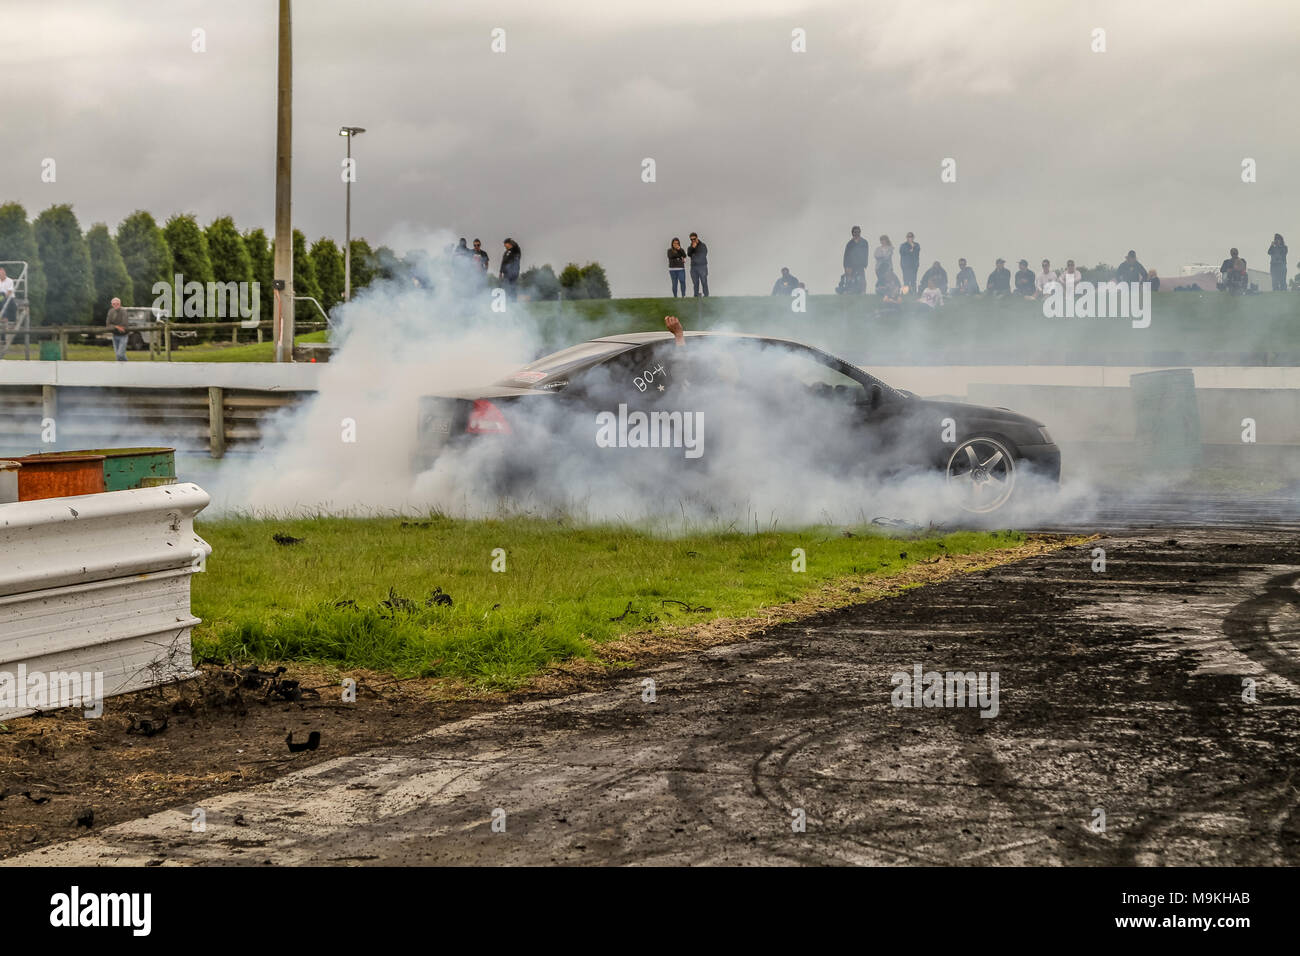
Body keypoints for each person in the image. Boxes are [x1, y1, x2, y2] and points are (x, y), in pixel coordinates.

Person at [842, 226, 870, 294]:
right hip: (851, 265)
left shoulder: (864, 242)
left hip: (860, 264)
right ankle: (850, 291)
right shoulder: (850, 244)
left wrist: (865, 264)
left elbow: (866, 253)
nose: (856, 233)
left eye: (858, 232)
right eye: (855, 232)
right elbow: (846, 255)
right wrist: (846, 267)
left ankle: (863, 292)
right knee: (851, 279)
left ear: (860, 232)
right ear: (852, 233)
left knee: (861, 279)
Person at [106, 296, 128, 362]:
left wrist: (113, 326)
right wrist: (117, 327)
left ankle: (128, 365)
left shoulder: (124, 311)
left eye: (117, 303)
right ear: (112, 304)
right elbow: (108, 324)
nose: (115, 305)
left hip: (123, 335)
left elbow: (124, 324)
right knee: (118, 356)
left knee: (120, 354)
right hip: (115, 335)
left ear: (120, 304)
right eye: (114, 304)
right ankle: (123, 368)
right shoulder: (110, 311)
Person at [688, 232, 709, 297]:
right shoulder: (690, 247)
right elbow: (689, 254)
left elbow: (704, 254)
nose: (693, 240)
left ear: (697, 238)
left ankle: (706, 295)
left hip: (702, 266)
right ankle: (695, 296)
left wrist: (695, 256)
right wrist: (693, 248)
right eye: (691, 239)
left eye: (694, 239)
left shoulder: (703, 245)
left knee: (704, 282)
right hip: (694, 267)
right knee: (695, 283)